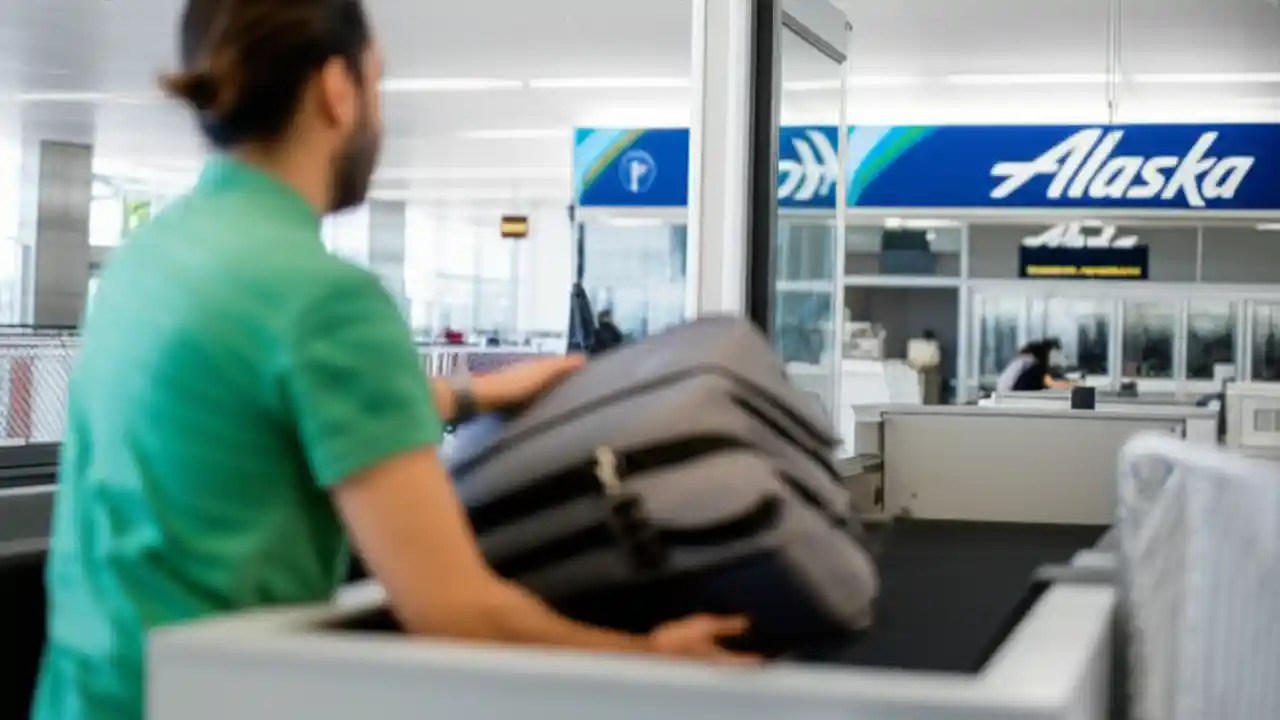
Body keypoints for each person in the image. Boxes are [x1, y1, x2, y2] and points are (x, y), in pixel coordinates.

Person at [33, 3, 752, 719]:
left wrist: (477, 395)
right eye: (378, 82)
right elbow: (459, 613)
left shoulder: (153, 258)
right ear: (337, 89)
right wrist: (653, 662)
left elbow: (269, 397)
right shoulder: (321, 299)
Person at [995, 339, 1073, 393]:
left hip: (1005, 395)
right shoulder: (1032, 365)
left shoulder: (1023, 360)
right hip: (1011, 397)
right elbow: (1050, 382)